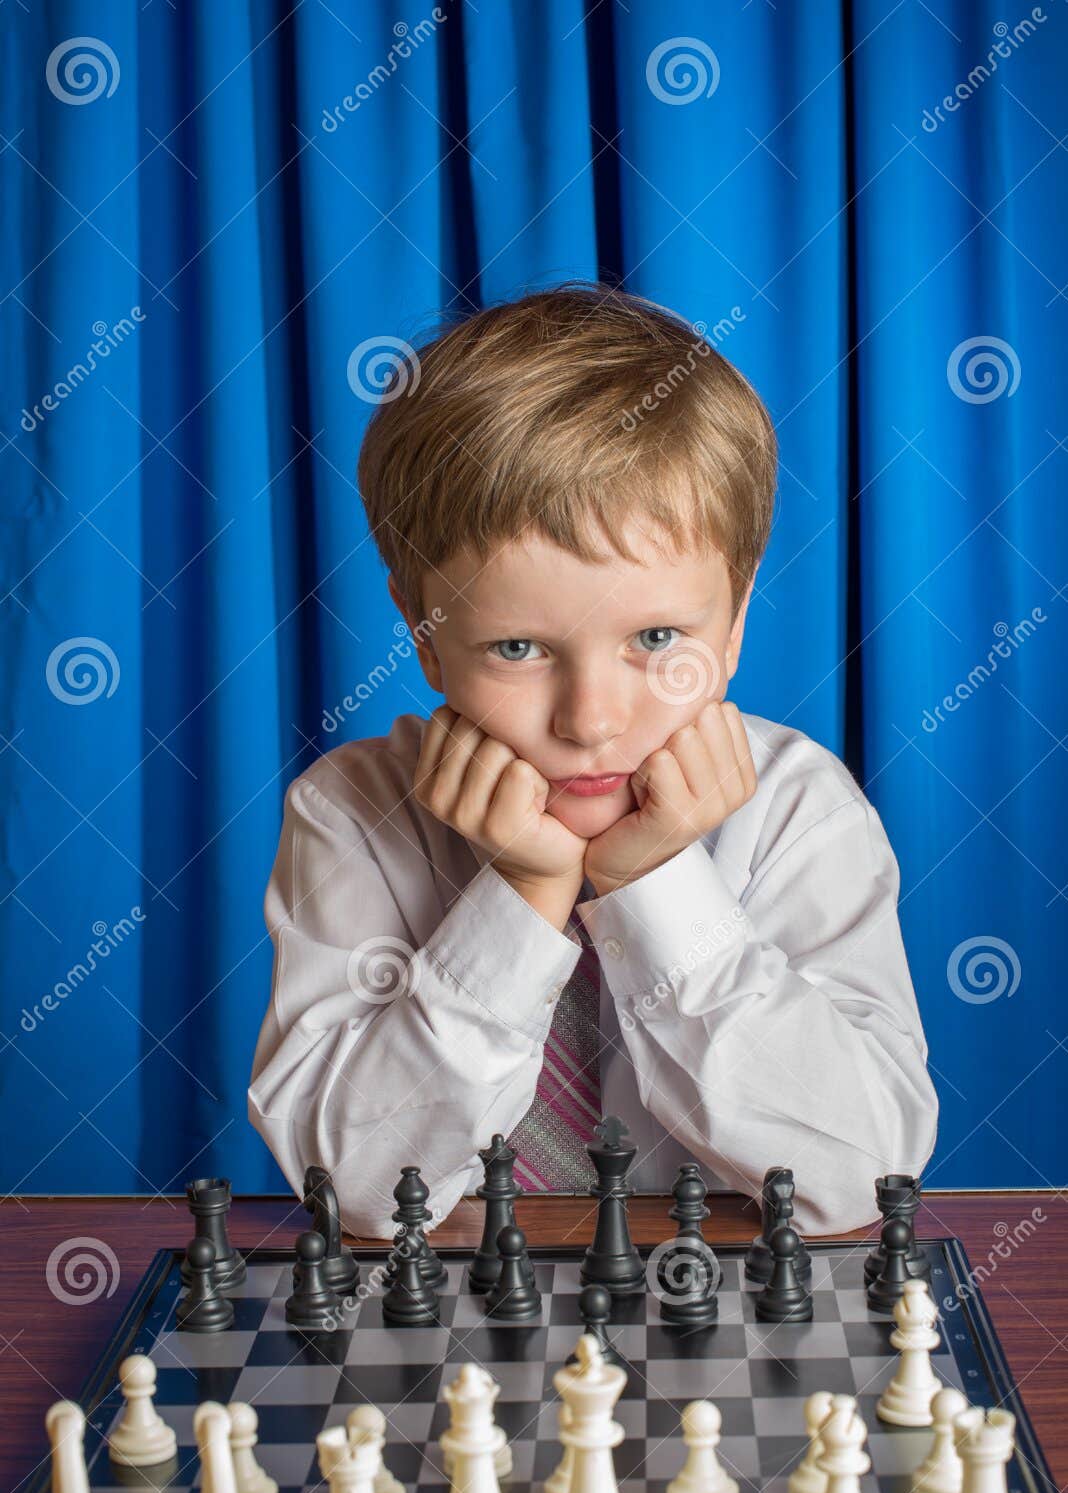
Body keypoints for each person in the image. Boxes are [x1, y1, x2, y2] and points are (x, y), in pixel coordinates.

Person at [247, 281, 937, 1239]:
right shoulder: (352, 813)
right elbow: (360, 1190)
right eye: (518, 649)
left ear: (732, 628)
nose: (592, 719)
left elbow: (859, 1175)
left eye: (657, 637)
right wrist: (525, 896)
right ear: (426, 637)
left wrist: (655, 883)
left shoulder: (797, 808)